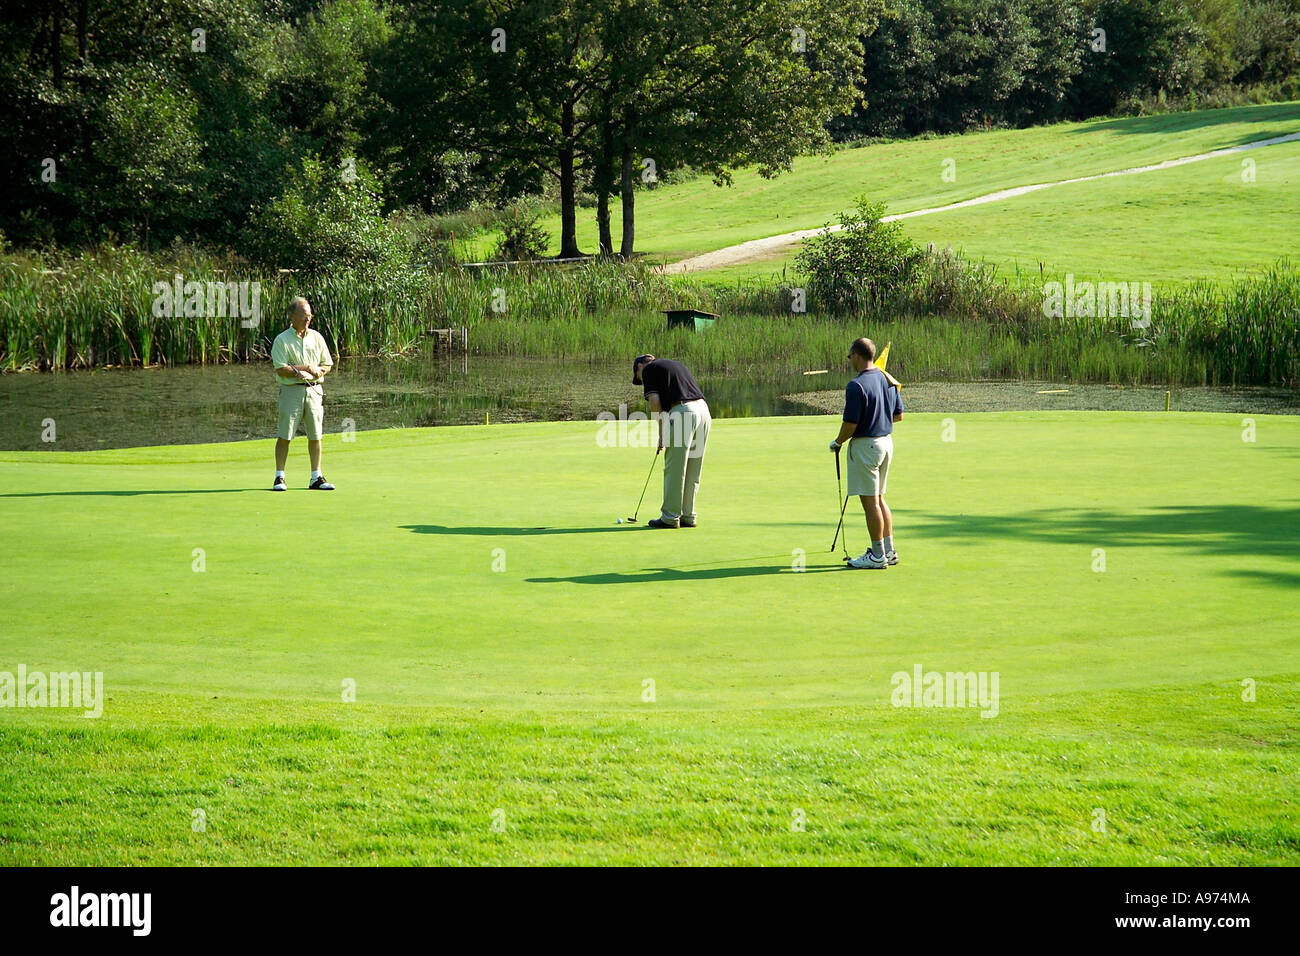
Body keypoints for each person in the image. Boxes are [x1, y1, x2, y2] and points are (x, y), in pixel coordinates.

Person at [830, 338, 902, 569]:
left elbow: (850, 425)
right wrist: (877, 419)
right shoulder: (887, 378)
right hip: (886, 443)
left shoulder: (856, 385)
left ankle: (877, 555)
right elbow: (898, 415)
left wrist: (837, 442)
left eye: (850, 356)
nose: (850, 361)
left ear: (857, 355)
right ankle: (889, 551)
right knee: (879, 498)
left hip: (867, 448)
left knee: (870, 502)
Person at [632, 354, 711, 528]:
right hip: (704, 412)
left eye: (640, 380)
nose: (643, 383)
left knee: (675, 468)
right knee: (693, 467)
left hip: (684, 412)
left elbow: (654, 402)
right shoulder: (674, 364)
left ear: (640, 366)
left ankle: (670, 517)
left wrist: (662, 432)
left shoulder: (648, 369)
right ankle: (688, 515)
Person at [271, 296, 335, 491]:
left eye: (309, 316)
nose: (308, 319)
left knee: (316, 435)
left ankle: (316, 477)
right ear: (292, 316)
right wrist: (306, 368)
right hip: (291, 391)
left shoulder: (317, 337)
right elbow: (281, 369)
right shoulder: (282, 340)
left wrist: (319, 371)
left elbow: (327, 364)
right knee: (285, 435)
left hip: (314, 391)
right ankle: (279, 477)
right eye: (303, 316)